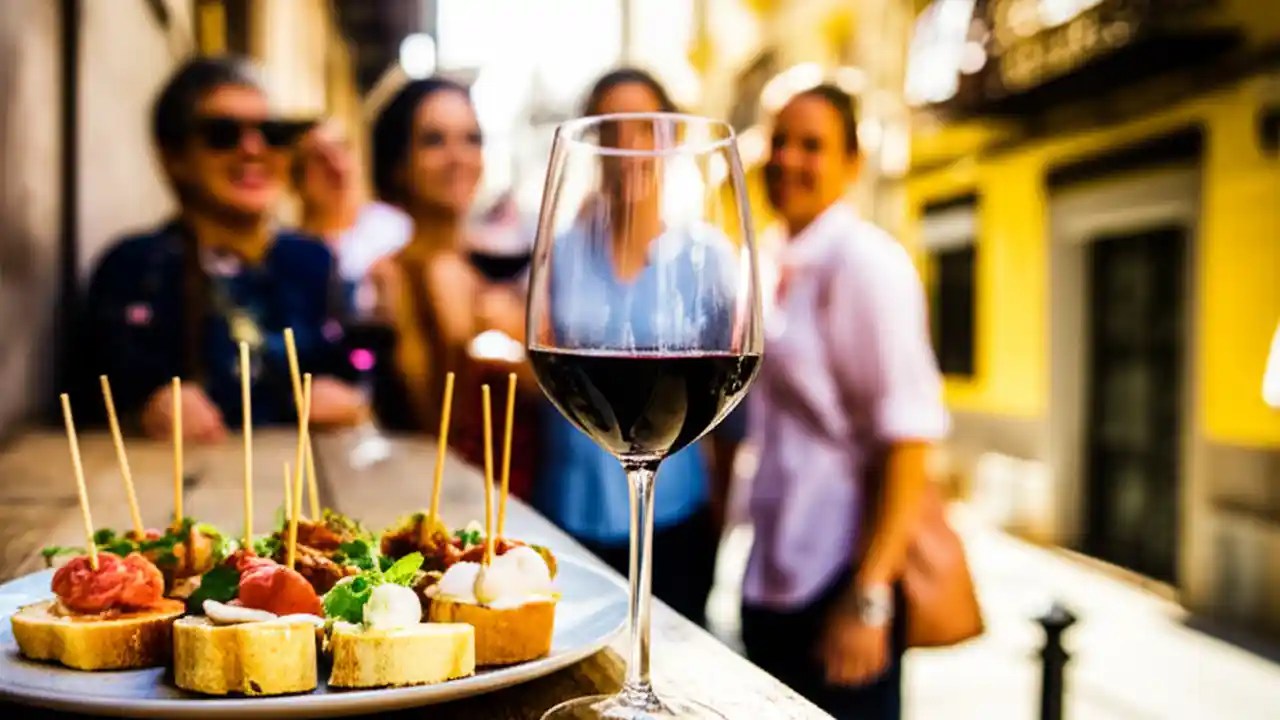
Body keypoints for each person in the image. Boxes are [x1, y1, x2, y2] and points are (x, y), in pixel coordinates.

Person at [735, 84, 949, 719]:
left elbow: (910, 437)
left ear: (851, 163)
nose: (789, 159)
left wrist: (869, 599)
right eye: (778, 140)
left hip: (841, 576)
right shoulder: (774, 258)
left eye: (812, 145)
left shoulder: (866, 265)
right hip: (774, 572)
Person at [531, 68, 737, 627]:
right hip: (567, 511)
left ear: (669, 142)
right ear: (594, 146)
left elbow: (733, 402)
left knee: (672, 646)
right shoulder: (557, 249)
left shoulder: (709, 258)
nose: (628, 145)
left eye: (644, 128)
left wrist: (723, 507)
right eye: (613, 129)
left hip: (676, 513)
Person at [84, 56, 367, 441]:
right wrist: (149, 406)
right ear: (174, 156)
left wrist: (350, 399)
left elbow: (356, 368)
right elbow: (100, 393)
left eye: (271, 132)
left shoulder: (313, 262)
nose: (253, 149)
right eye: (222, 133)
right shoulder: (135, 268)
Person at [365, 78, 534, 490]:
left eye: (471, 139)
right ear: (398, 163)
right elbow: (428, 425)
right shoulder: (384, 279)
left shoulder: (502, 271)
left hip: (527, 508)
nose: (459, 157)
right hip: (432, 508)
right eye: (434, 140)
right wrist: (456, 336)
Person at [294, 120, 410, 287]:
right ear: (299, 181)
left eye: (342, 150)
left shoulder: (396, 231)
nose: (337, 166)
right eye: (320, 158)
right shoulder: (290, 255)